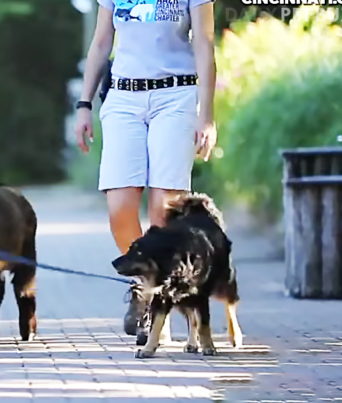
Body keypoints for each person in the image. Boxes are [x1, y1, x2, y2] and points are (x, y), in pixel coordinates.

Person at [73, 0, 217, 339]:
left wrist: (206, 114)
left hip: (176, 95)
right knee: (119, 208)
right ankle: (147, 283)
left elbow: (204, 42)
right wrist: (84, 105)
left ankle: (159, 305)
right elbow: (101, 42)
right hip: (123, 98)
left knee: (163, 210)